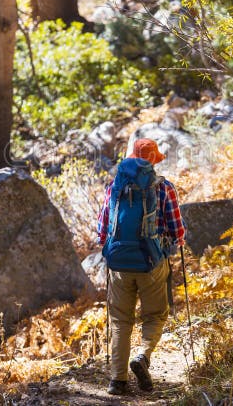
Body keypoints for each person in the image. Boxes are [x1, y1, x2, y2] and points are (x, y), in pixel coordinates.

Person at [97, 138, 187, 395]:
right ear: (153, 161)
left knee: (120, 320)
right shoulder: (164, 188)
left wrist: (109, 248)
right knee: (155, 315)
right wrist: (176, 241)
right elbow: (177, 231)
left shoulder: (114, 186)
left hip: (119, 264)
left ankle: (118, 380)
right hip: (151, 262)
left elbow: (103, 228)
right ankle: (143, 356)